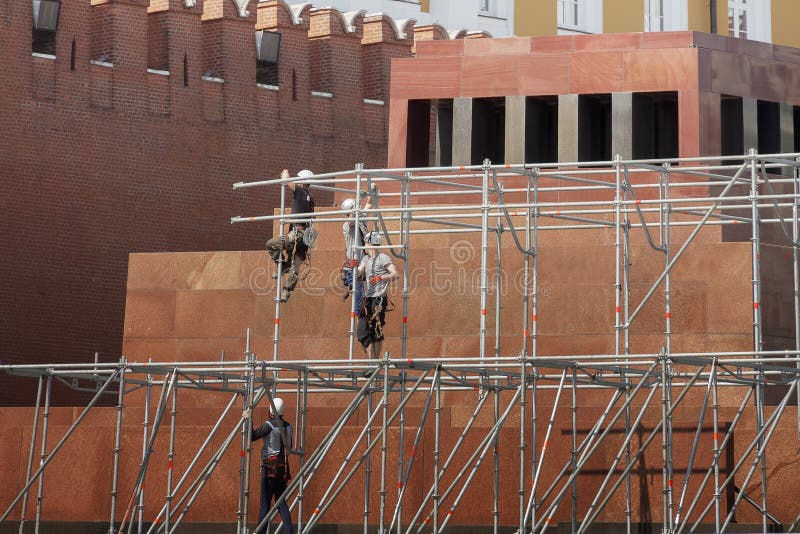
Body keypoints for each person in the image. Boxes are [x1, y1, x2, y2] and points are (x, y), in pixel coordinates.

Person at [245, 398, 294, 534]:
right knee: (281, 503)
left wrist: (248, 419)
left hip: (269, 469)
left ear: (271, 410)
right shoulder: (289, 426)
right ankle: (289, 532)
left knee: (265, 504)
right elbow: (289, 446)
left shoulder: (269, 425)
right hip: (282, 469)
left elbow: (252, 436)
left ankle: (261, 532)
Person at [265, 169, 315, 302]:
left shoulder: (300, 191)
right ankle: (286, 292)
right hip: (305, 239)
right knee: (296, 266)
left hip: (297, 235)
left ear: (303, 181)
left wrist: (285, 172)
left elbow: (287, 180)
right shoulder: (310, 198)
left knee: (272, 244)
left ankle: (282, 265)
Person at [356, 231, 399, 359]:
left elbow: (395, 274)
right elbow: (359, 273)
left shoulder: (383, 258)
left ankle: (373, 362)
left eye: (366, 243)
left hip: (379, 298)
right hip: (368, 298)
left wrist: (381, 278)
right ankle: (372, 360)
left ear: (370, 243)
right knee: (362, 331)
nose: (364, 245)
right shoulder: (366, 259)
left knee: (376, 329)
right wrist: (352, 269)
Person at [340, 193, 371, 314]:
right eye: (356, 207)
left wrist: (372, 194)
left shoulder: (361, 218)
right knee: (359, 304)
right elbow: (352, 221)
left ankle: (349, 286)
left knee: (370, 298)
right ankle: (360, 328)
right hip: (354, 263)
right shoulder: (347, 225)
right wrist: (357, 201)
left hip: (364, 261)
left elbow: (369, 205)